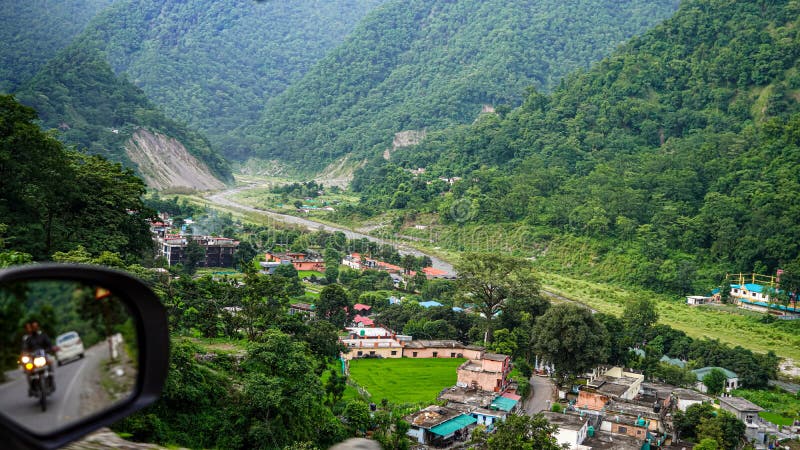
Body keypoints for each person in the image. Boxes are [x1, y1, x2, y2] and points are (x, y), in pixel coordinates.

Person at [21, 320, 56, 395]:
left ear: (38, 327)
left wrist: (50, 349)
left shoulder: (43, 335)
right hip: (33, 359)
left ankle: (51, 382)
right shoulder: (28, 339)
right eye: (33, 327)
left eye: (36, 326)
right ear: (32, 328)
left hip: (43, 356)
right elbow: (25, 348)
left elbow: (49, 344)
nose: (34, 328)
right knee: (28, 369)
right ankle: (31, 387)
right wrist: (25, 353)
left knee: (50, 361)